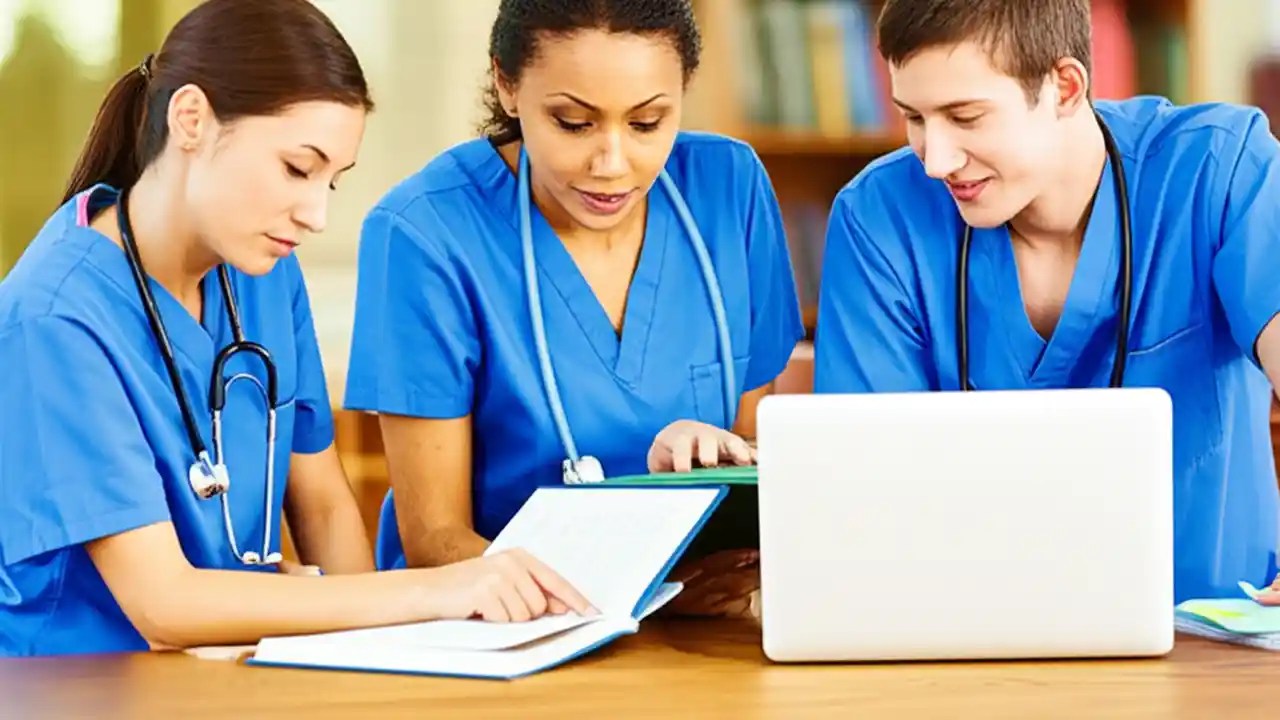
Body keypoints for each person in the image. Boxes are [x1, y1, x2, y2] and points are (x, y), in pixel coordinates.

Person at [0, 0, 592, 658]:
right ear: (190, 119)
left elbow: (325, 506)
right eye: (295, 168)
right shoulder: (54, 318)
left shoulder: (260, 269)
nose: (314, 215)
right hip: (82, 685)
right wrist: (438, 591)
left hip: (220, 678)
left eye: (332, 183)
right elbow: (164, 604)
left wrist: (397, 664)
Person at [343, 0, 804, 616]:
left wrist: (731, 470)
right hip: (504, 634)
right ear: (507, 85)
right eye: (573, 123)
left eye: (647, 123)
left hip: (703, 630)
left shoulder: (729, 189)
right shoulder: (425, 232)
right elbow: (434, 542)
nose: (612, 165)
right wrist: (644, 595)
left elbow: (752, 461)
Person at [812, 0, 1280, 604]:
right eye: (915, 118)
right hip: (966, 639)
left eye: (965, 116)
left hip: (1211, 640)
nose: (935, 160)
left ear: (1064, 86)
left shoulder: (1219, 166)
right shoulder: (879, 215)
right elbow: (862, 474)